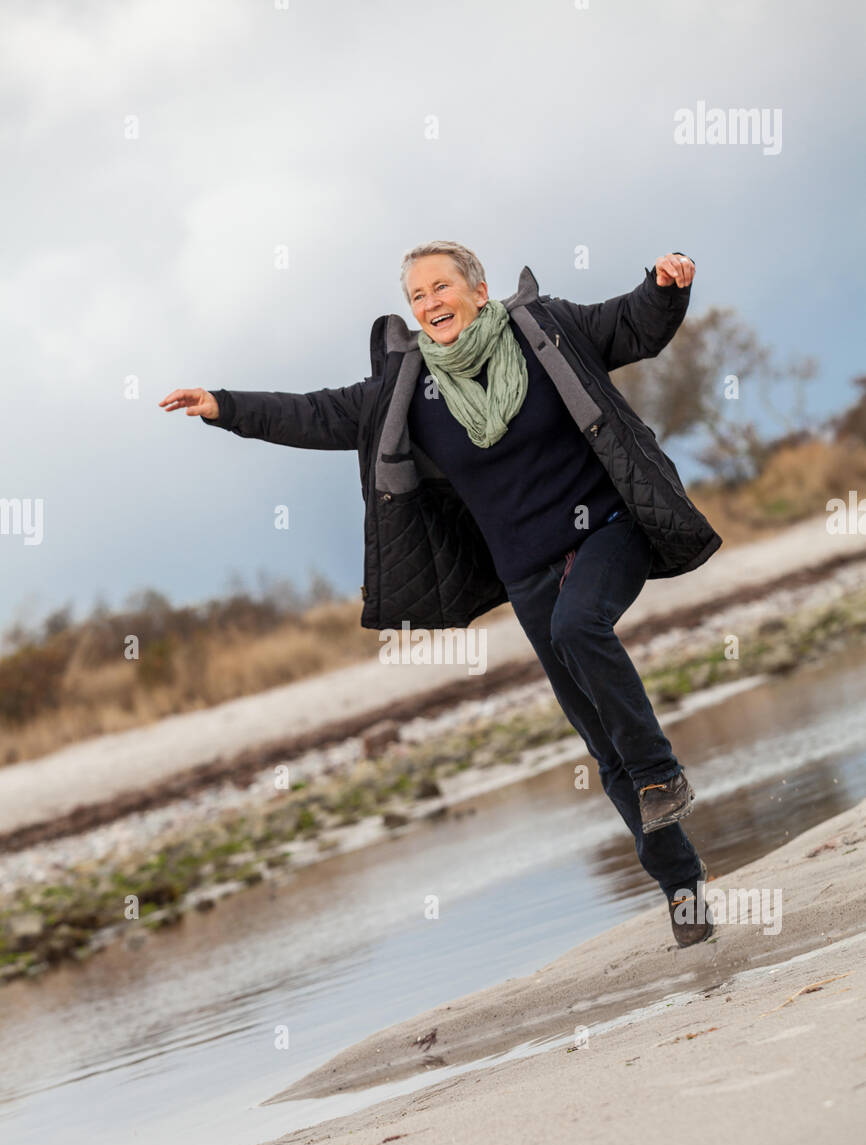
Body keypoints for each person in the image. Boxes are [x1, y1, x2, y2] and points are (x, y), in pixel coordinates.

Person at [159, 240, 721, 946]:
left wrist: (666, 286)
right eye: (416, 296)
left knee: (583, 629)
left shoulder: (545, 330)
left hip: (608, 530)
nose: (428, 304)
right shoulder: (410, 390)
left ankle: (662, 772)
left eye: (439, 288)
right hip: (527, 575)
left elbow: (631, 324)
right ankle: (683, 890)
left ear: (477, 291)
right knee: (603, 747)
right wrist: (225, 405)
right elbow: (316, 414)